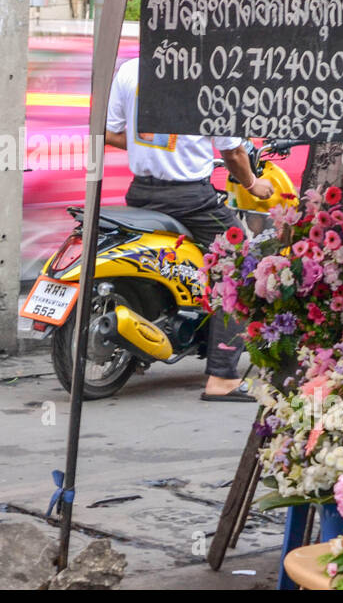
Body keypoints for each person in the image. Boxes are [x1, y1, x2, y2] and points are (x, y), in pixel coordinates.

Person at [105, 56, 275, 401]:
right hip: (191, 200)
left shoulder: (129, 69)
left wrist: (149, 145)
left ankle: (144, 344)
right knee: (242, 263)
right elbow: (234, 154)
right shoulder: (210, 75)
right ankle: (222, 377)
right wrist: (254, 183)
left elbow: (112, 132)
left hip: (141, 191)